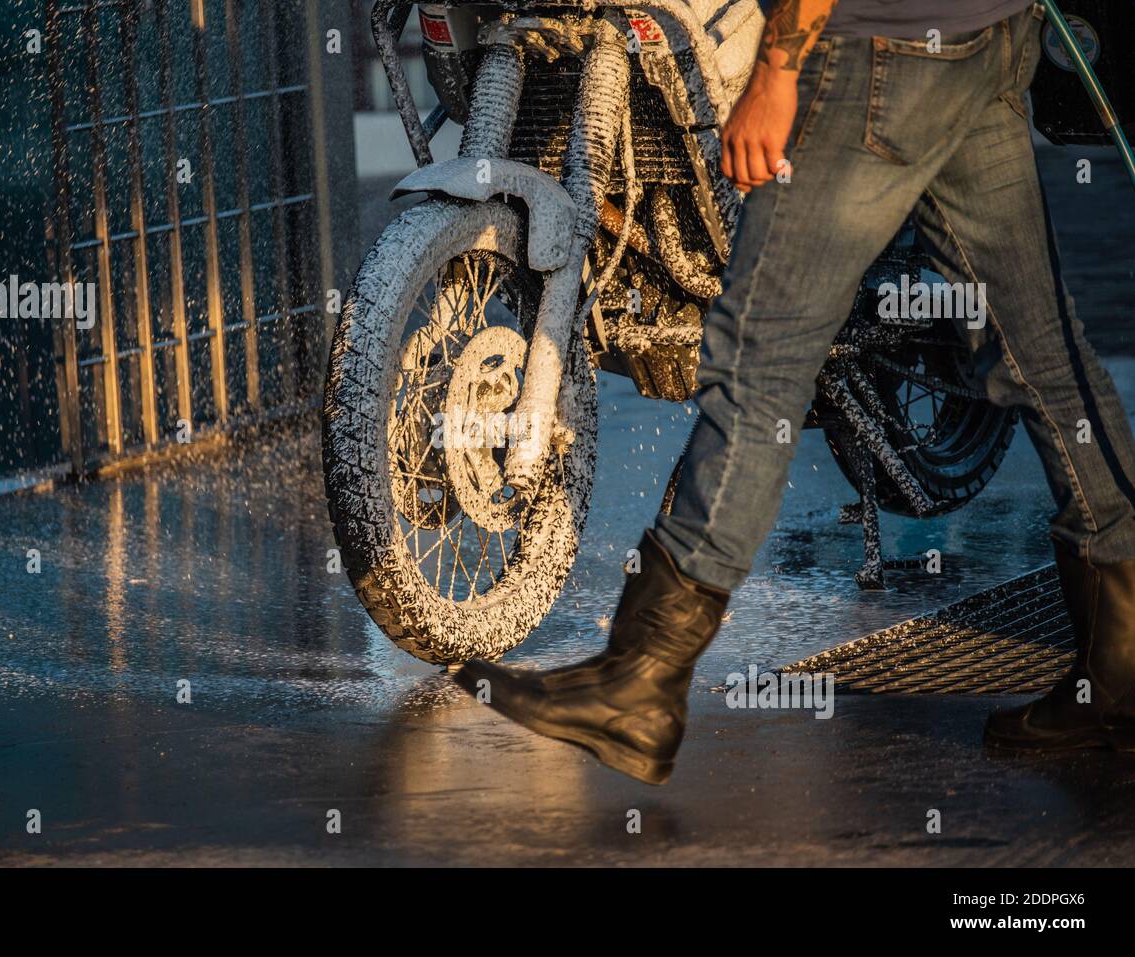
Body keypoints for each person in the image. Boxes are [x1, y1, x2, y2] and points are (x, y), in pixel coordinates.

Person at [457, 0, 1135, 784]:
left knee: (759, 356)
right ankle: (1119, 672)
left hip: (877, 49)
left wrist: (778, 73)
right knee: (1038, 344)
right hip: (984, 32)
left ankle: (640, 680)